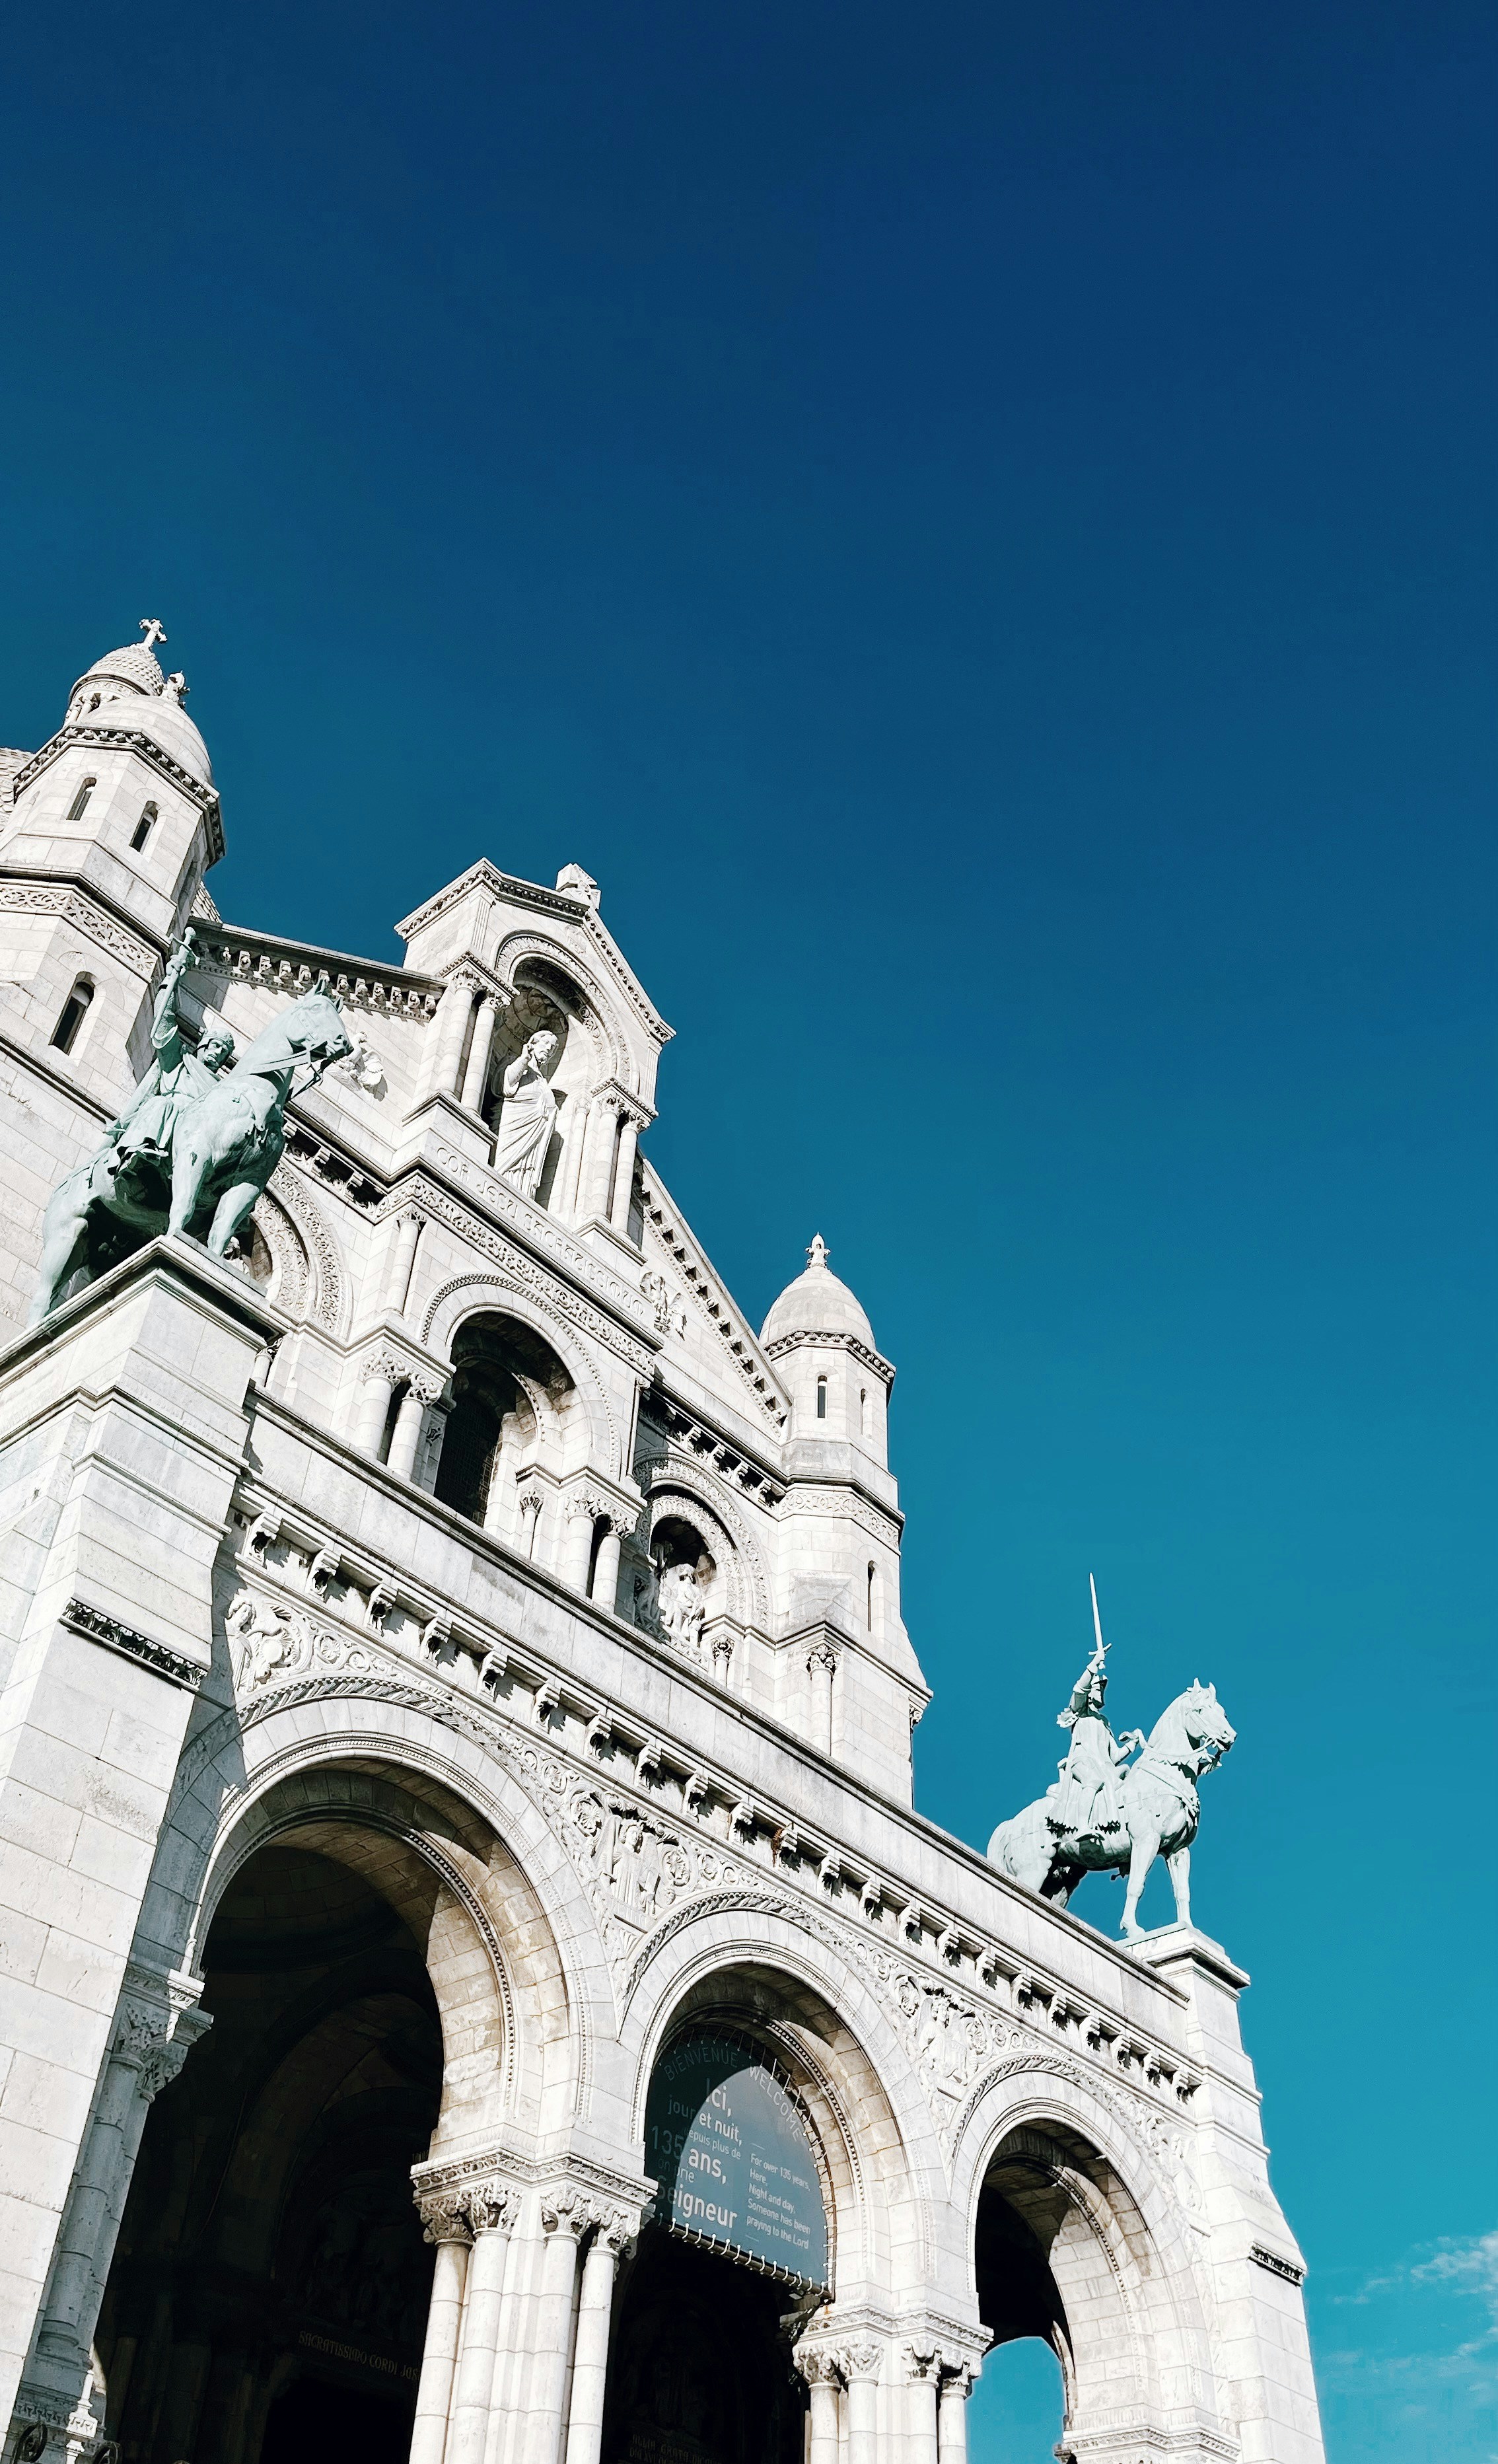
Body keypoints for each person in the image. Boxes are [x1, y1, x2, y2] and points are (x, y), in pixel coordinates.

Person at [104, 931, 235, 1174]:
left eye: (224, 1052)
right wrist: (169, 981)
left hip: (193, 1136)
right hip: (168, 1116)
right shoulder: (182, 1061)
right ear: (204, 1045)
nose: (218, 1053)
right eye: (216, 1046)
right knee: (163, 1105)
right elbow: (163, 1025)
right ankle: (139, 1153)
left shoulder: (221, 1088)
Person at [1046, 1644, 1143, 1844]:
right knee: (1093, 1781)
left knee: (1125, 1770)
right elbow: (1079, 1689)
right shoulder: (1080, 1711)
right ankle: (1082, 1826)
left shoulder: (1103, 1721)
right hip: (1082, 1761)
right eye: (1099, 1688)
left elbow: (1113, 1756)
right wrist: (1094, 1664)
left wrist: (1132, 1745)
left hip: (1103, 1766)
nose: (1101, 1692)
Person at [493, 1029, 558, 1198]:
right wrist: (524, 1059)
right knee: (505, 1163)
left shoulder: (542, 1080)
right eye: (545, 1044)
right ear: (533, 1044)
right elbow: (506, 1085)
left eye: (552, 1048)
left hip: (533, 1136)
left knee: (524, 1170)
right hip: (514, 1124)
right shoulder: (518, 1062)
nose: (549, 1049)